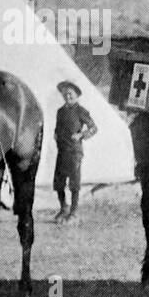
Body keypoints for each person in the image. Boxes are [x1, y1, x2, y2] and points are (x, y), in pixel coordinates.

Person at [53, 80, 97, 223]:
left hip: (74, 152)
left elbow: (93, 128)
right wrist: (56, 135)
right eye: (65, 94)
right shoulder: (60, 111)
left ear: (77, 95)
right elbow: (57, 128)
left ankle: (73, 212)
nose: (68, 97)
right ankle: (63, 208)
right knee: (59, 182)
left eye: (70, 94)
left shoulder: (81, 111)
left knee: (74, 183)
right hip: (62, 151)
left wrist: (81, 135)